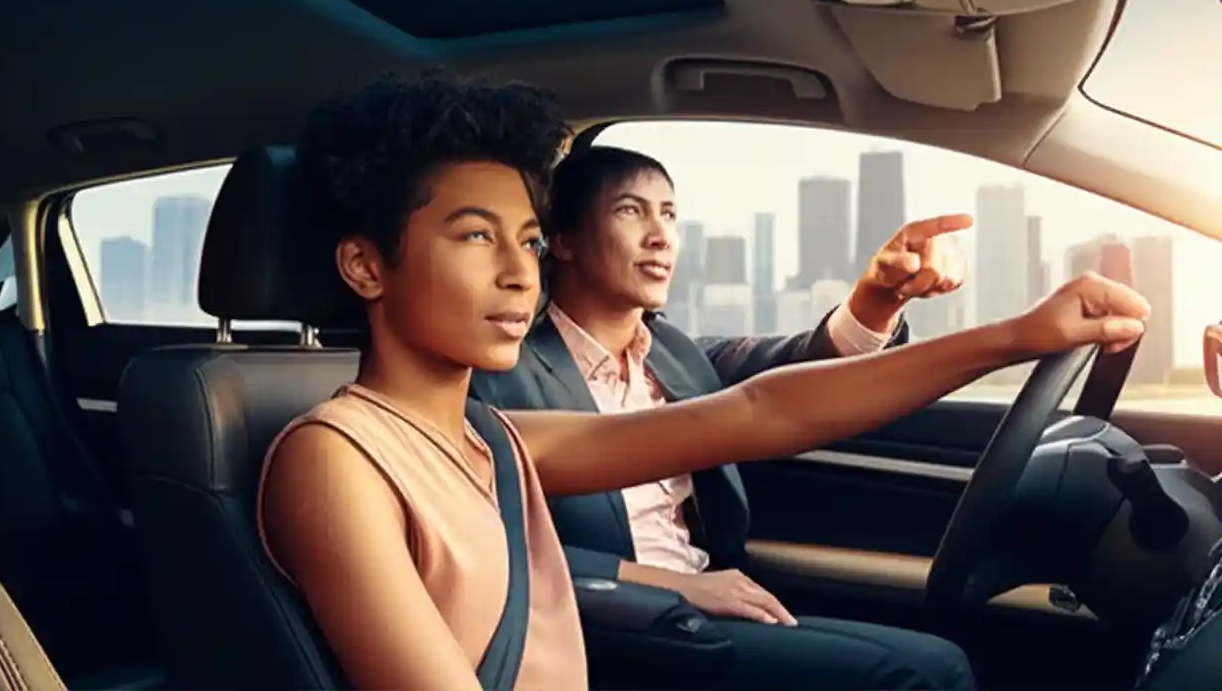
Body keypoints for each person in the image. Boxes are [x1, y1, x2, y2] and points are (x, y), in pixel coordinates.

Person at [256, 71, 1150, 691]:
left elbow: (762, 408)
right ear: (367, 267)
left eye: (526, 239)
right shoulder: (335, 461)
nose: (520, 272)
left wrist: (1021, 335)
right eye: (474, 235)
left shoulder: (489, 439)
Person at [468, 145, 977, 689]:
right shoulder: (503, 375)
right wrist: (676, 587)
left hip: (704, 609)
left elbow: (795, 373)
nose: (661, 235)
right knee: (928, 671)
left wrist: (877, 298)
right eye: (630, 211)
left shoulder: (675, 354)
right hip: (610, 627)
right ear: (563, 241)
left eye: (668, 213)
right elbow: (484, 547)